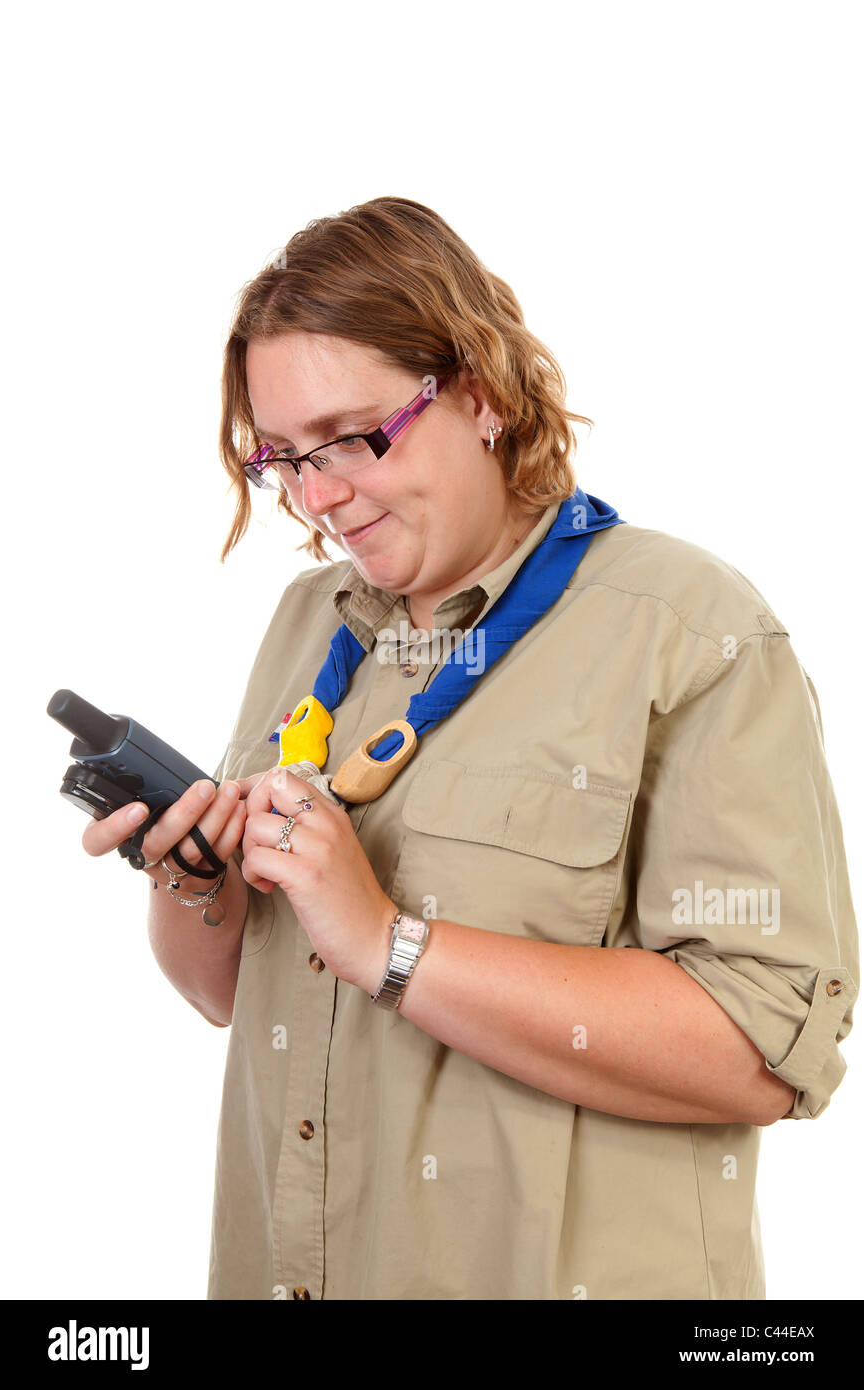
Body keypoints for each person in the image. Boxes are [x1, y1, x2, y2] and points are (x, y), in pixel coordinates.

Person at [83, 196, 858, 1301]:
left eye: (352, 438)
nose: (321, 494)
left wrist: (391, 943)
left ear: (481, 394)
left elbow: (762, 1052)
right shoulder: (312, 620)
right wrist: (193, 880)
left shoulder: (689, 632)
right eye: (283, 457)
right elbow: (225, 993)